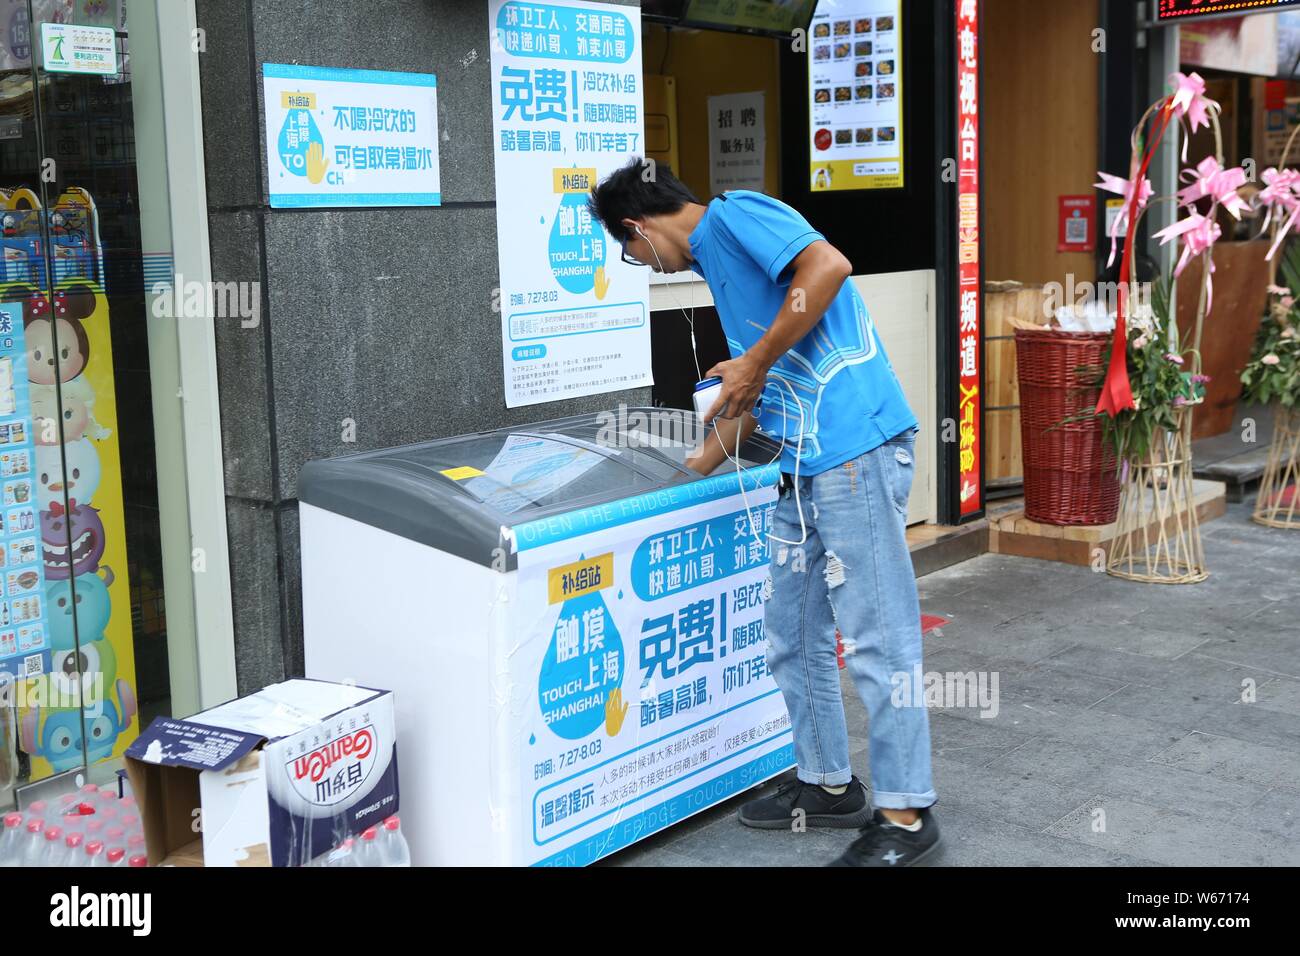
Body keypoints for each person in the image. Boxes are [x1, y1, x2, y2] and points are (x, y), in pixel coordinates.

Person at [588, 158, 941, 867]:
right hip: (802, 465)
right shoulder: (718, 267)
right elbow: (755, 402)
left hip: (854, 450)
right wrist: (681, 475)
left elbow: (829, 266)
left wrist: (750, 363)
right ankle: (826, 784)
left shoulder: (735, 214)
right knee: (790, 630)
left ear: (636, 227)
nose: (644, 267)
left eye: (631, 255)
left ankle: (906, 816)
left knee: (878, 636)